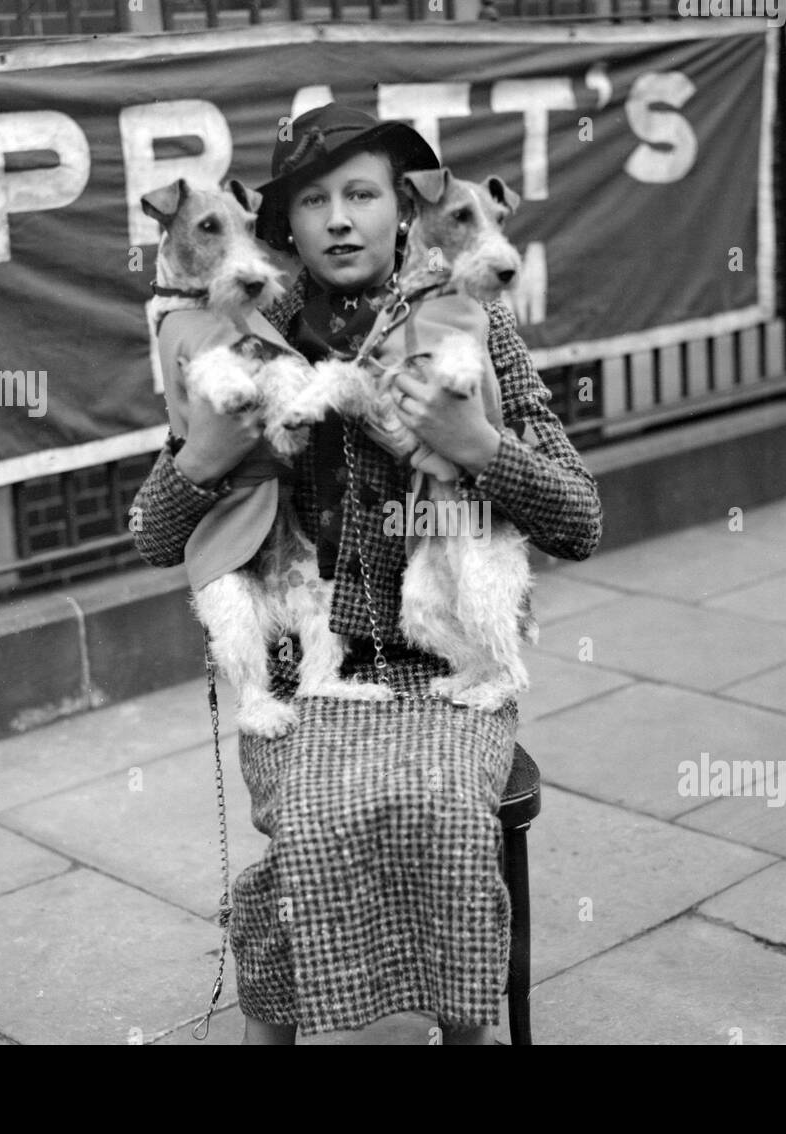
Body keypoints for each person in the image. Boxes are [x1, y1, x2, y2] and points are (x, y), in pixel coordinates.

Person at [130, 103, 602, 1045]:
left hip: (439, 667)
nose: (340, 219)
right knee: (316, 811)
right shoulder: (245, 337)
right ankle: (299, 1009)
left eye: (362, 194)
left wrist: (479, 446)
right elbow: (151, 532)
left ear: (402, 212)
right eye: (314, 200)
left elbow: (579, 518)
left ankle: (461, 1024)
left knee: (435, 805)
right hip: (311, 674)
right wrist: (205, 456)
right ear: (284, 227)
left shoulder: (464, 322)